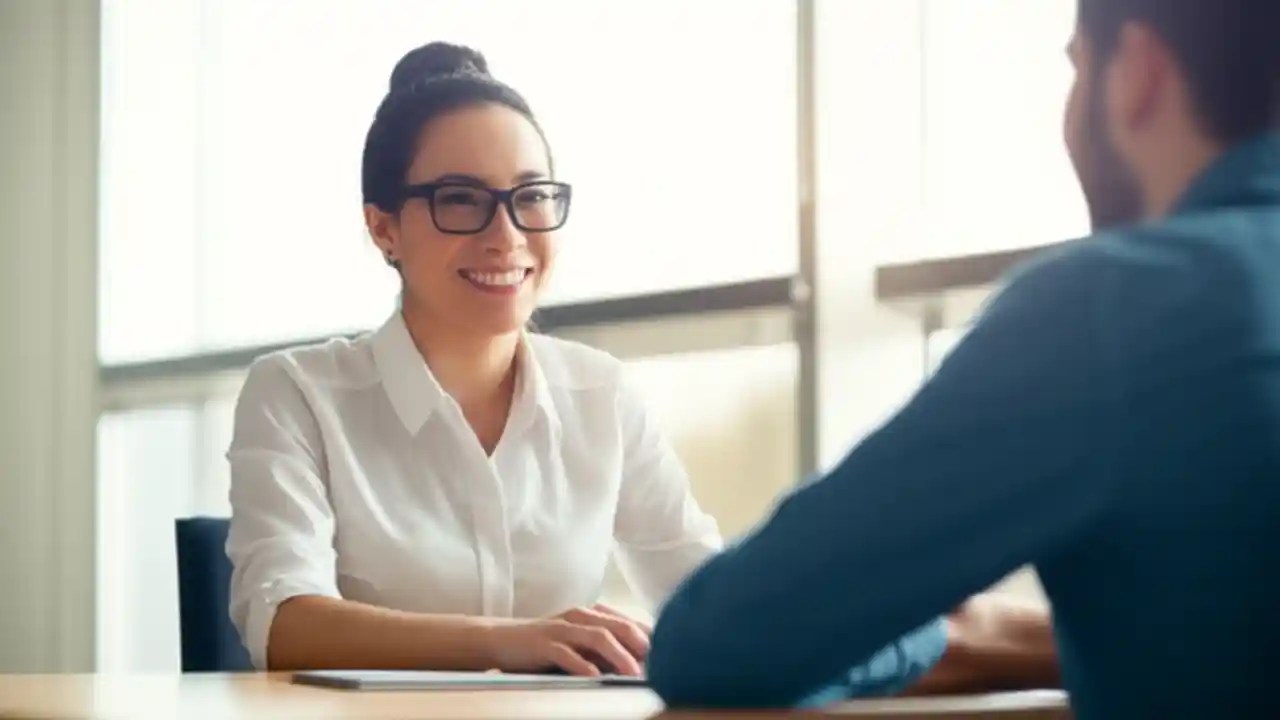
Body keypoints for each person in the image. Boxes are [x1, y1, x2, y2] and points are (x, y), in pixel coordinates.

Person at [226, 40, 1058, 687]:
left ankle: (1040, 643)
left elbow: (707, 594)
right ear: (383, 228)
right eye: (461, 200)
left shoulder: (598, 391)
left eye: (531, 196)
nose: (507, 234)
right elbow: (288, 625)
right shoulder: (297, 392)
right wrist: (513, 642)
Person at [647, 0, 1280, 717]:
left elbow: (714, 642)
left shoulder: (1119, 305)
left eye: (1078, 68)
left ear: (1138, 72)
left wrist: (943, 639)